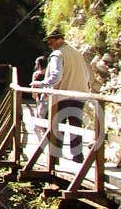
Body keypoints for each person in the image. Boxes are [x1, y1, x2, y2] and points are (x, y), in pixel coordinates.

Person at [36, 29, 93, 162]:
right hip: (79, 94)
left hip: (62, 94)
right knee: (75, 125)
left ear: (58, 40)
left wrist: (41, 84)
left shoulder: (57, 54)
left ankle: (55, 157)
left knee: (57, 125)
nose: (50, 45)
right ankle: (78, 156)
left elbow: (56, 77)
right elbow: (86, 75)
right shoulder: (76, 52)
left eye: (51, 42)